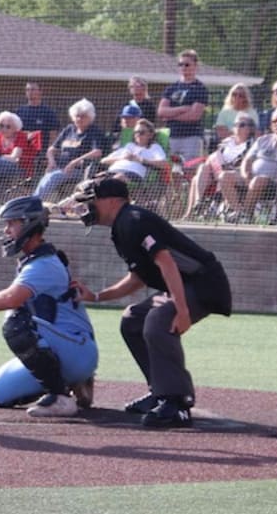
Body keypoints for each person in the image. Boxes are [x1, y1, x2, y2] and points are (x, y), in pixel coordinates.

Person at [70, 176, 232, 428]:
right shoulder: (121, 226)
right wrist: (97, 296)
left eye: (91, 201)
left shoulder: (134, 220)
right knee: (133, 319)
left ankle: (177, 402)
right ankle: (160, 390)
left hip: (204, 284)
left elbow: (166, 262)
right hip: (186, 284)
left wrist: (181, 310)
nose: (86, 207)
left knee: (157, 320)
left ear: (112, 201)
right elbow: (138, 278)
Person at [0, 196, 98, 416]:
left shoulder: (44, 264)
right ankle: (72, 383)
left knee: (15, 323)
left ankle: (61, 396)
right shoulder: (36, 258)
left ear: (29, 223)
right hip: (64, 347)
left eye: (11, 223)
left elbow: (10, 298)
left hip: (76, 351)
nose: (7, 230)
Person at [220, 107, 277, 222]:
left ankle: (246, 214)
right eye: (274, 121)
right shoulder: (262, 140)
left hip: (276, 183)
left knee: (258, 180)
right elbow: (247, 160)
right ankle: (239, 211)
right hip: (251, 178)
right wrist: (246, 175)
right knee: (224, 176)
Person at [181, 112, 256, 221]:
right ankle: (195, 207)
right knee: (199, 173)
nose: (238, 128)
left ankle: (240, 212)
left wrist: (224, 166)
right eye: (235, 125)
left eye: (242, 125)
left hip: (236, 174)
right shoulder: (227, 142)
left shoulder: (252, 145)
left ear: (250, 129)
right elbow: (213, 157)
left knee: (217, 174)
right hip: (217, 171)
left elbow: (246, 164)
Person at [33, 98, 107, 203]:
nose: (79, 119)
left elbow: (97, 152)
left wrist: (74, 162)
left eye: (83, 116)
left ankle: (34, 202)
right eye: (77, 116)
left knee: (52, 177)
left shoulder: (94, 131)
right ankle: (35, 201)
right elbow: (52, 149)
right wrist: (51, 161)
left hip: (79, 170)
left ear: (90, 117)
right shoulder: (69, 129)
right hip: (59, 168)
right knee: (48, 176)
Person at [158, 50, 209, 161]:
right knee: (170, 171)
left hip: (191, 137)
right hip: (171, 136)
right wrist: (182, 109)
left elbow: (194, 115)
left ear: (195, 66)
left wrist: (170, 115)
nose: (183, 67)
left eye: (187, 64)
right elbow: (161, 111)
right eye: (180, 64)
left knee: (189, 170)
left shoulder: (200, 89)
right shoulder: (171, 88)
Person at [99, 118, 167, 184]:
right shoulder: (129, 146)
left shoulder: (154, 148)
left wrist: (141, 160)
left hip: (133, 174)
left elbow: (164, 164)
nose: (137, 135)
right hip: (113, 171)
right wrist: (122, 158)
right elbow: (103, 161)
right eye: (136, 132)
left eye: (141, 132)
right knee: (96, 180)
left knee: (116, 179)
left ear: (150, 135)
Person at [15, 81, 60, 149]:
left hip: (41, 152)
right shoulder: (19, 111)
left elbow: (53, 135)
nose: (30, 92)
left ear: (40, 91)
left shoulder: (48, 112)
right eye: (27, 90)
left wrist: (49, 154)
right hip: (22, 151)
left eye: (33, 89)